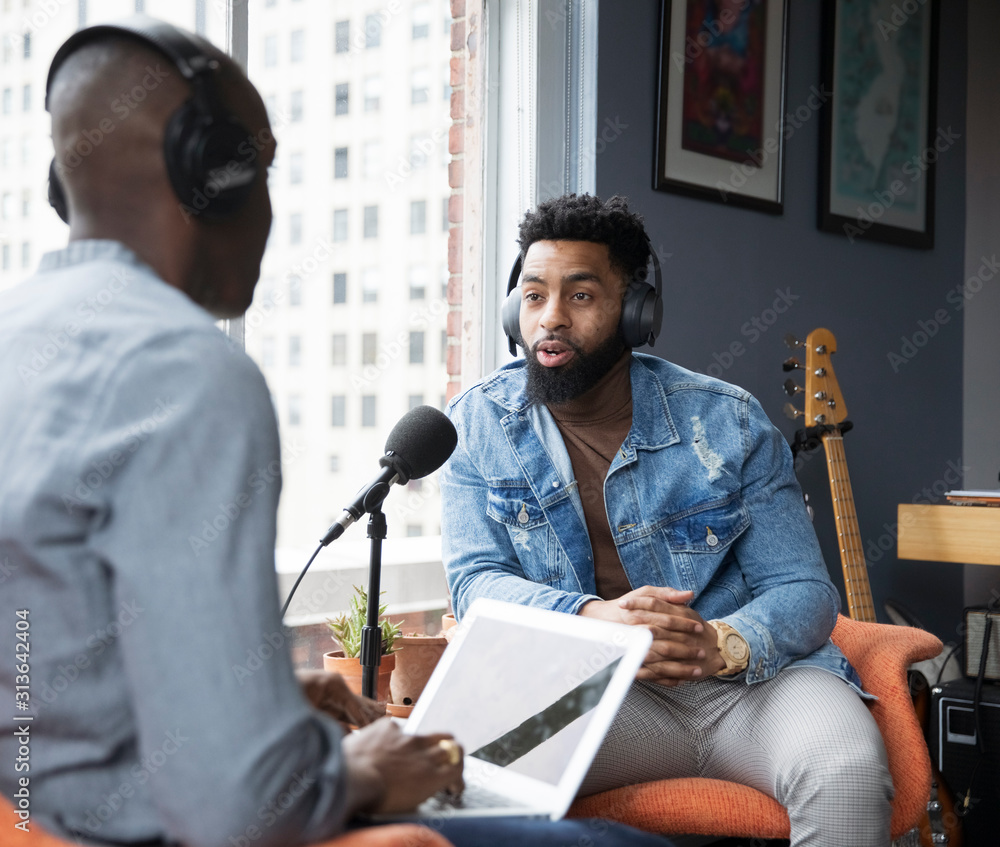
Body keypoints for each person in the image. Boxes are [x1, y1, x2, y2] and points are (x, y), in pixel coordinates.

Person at [0, 20, 673, 847]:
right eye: (265, 167)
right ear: (214, 173)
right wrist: (365, 766)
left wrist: (275, 703)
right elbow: (238, 807)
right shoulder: (183, 370)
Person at [441, 193, 895, 847]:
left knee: (848, 771)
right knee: (458, 768)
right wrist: (591, 617)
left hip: (752, 686)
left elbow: (804, 591)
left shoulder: (728, 422)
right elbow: (476, 582)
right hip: (600, 689)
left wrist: (720, 643)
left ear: (635, 312)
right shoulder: (477, 424)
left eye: (581, 296)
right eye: (535, 296)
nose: (551, 320)